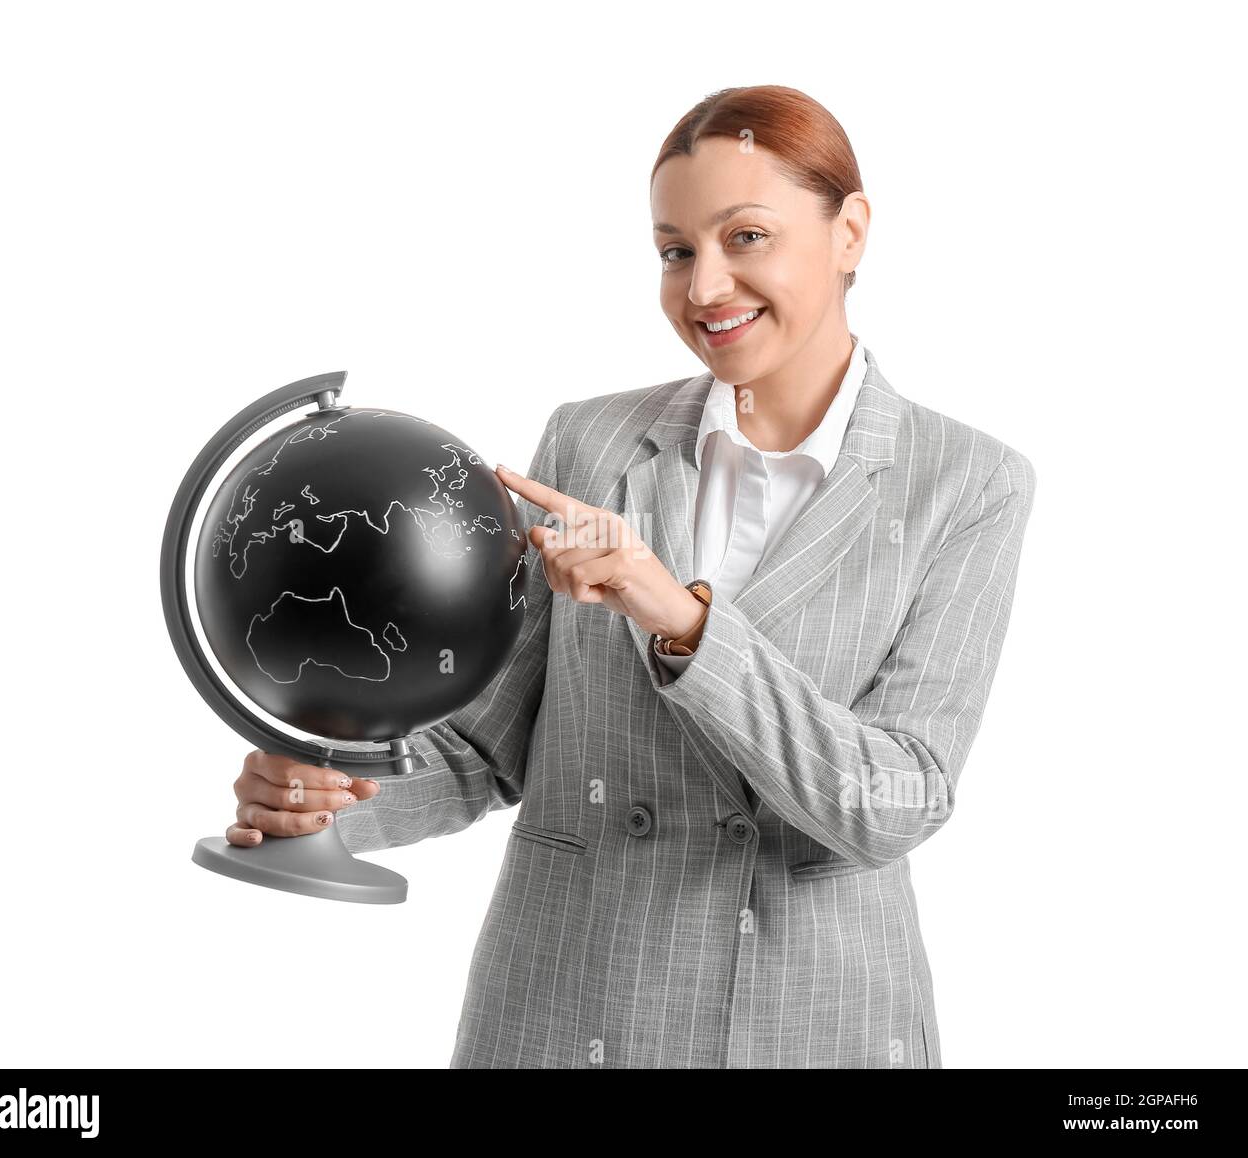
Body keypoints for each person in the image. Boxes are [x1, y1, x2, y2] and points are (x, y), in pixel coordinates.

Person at [227, 85, 1037, 1068]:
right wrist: (337, 796)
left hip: (806, 1021)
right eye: (674, 251)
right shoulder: (591, 439)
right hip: (572, 1004)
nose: (703, 289)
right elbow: (488, 749)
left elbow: (894, 799)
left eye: (746, 237)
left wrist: (674, 613)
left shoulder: (968, 482)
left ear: (849, 232)